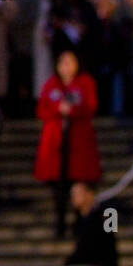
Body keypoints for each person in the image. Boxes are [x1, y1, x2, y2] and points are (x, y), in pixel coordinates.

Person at [34, 49, 102, 238]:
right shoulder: (51, 85)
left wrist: (72, 110)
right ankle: (60, 226)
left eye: (70, 62)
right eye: (63, 62)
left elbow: (90, 106)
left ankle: (79, 226)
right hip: (56, 146)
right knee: (59, 190)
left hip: (78, 145)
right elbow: (41, 109)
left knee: (79, 189)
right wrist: (58, 108)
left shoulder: (85, 83)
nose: (66, 66)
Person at [35, 182, 123, 266]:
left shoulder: (106, 213)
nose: (74, 198)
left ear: (90, 194)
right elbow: (79, 252)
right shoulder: (80, 220)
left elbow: (109, 243)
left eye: (78, 193)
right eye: (73, 194)